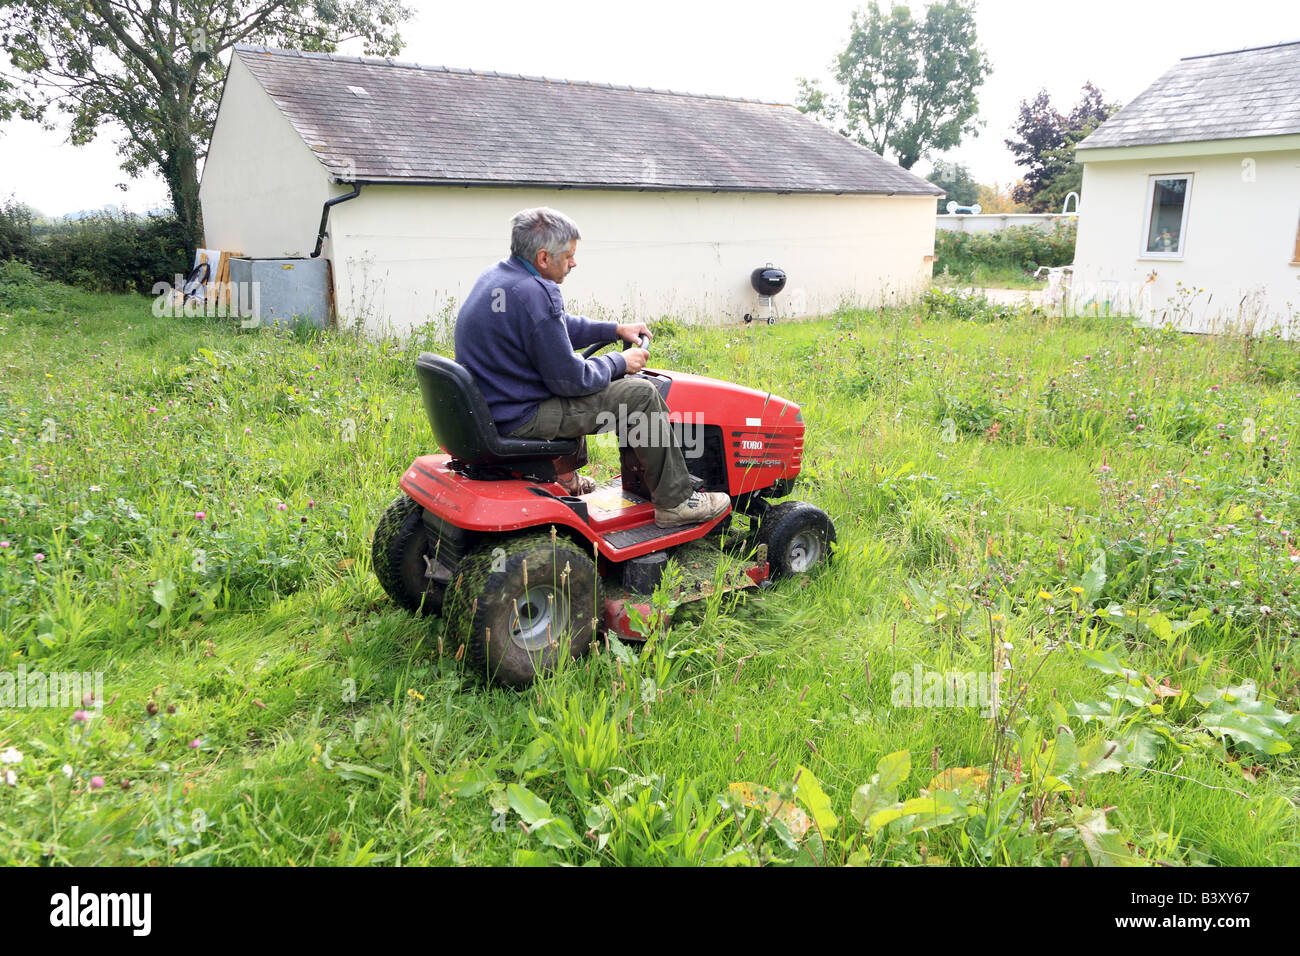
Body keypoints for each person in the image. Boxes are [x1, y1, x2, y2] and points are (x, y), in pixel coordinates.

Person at [454, 207, 730, 529]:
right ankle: (677, 501)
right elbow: (572, 381)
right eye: (568, 256)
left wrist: (612, 330)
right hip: (518, 418)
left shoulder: (500, 277)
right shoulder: (537, 292)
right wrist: (620, 362)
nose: (574, 263)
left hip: (496, 406)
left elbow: (554, 326)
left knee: (592, 382)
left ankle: (565, 476)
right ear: (544, 258)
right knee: (640, 395)